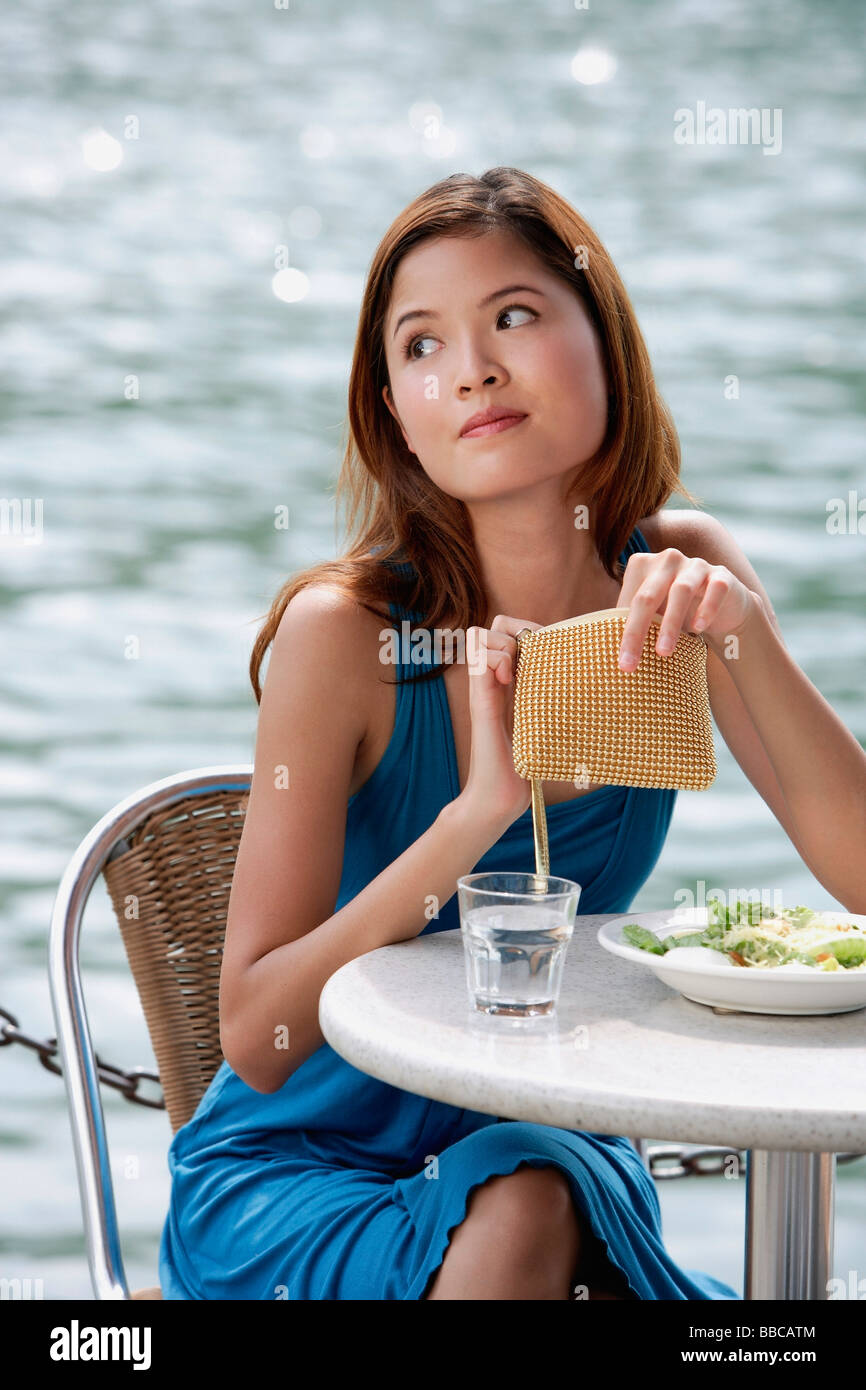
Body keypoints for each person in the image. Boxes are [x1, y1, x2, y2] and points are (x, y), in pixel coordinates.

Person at [159, 166, 746, 1300]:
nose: (470, 367)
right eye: (419, 345)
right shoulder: (343, 635)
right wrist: (471, 812)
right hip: (299, 1175)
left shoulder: (674, 582)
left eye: (513, 316)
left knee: (542, 1199)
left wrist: (743, 630)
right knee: (516, 1207)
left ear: (604, 337)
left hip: (557, 1152)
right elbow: (259, 1041)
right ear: (392, 410)